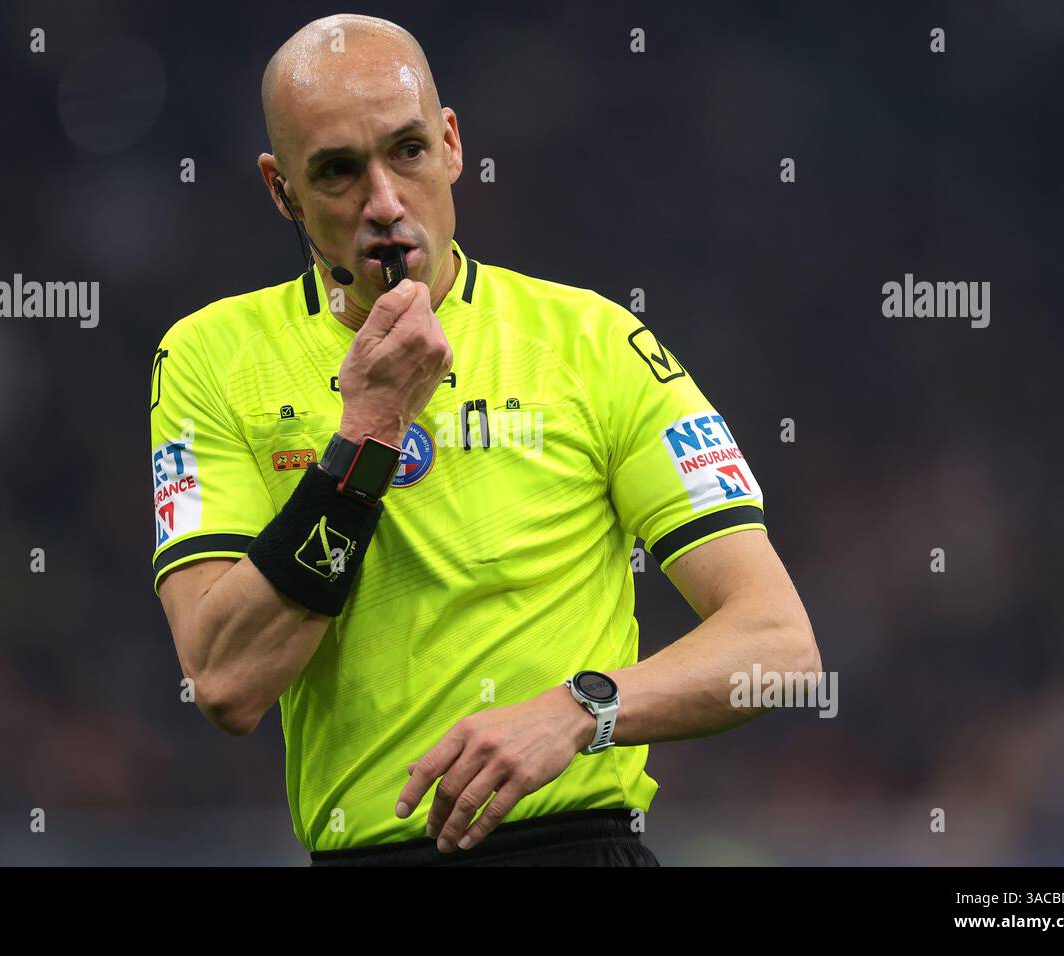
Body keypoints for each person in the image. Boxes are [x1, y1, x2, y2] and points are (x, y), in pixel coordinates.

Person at [149, 13, 820, 866]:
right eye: (339, 172)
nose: (384, 203)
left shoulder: (594, 341)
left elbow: (779, 643)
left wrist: (580, 711)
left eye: (407, 151)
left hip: (578, 846)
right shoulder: (211, 358)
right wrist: (367, 434)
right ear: (282, 190)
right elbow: (227, 683)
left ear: (453, 143)